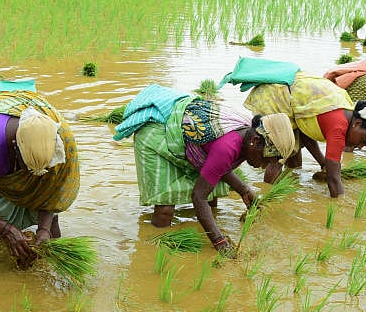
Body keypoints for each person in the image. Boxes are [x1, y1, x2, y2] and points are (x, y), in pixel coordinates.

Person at [114, 84, 291, 254]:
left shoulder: (249, 132)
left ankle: (199, 229)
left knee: (213, 197)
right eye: (267, 160)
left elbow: (218, 166)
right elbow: (198, 196)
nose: (264, 166)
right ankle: (153, 248)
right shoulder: (228, 146)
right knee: (165, 211)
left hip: (189, 139)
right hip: (157, 136)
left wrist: (243, 190)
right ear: (256, 142)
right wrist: (220, 242)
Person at [0, 88, 79, 269]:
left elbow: (53, 194)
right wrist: (5, 230)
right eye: (27, 168)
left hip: (35, 156)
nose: (32, 178)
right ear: (15, 147)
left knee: (50, 229)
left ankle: (51, 268)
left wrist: (44, 230)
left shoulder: (61, 148)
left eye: (42, 170)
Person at [243, 76, 366, 197]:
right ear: (357, 124)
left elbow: (307, 132)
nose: (359, 146)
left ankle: (286, 195)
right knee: (278, 157)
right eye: (363, 140)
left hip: (289, 101)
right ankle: (266, 198)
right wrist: (341, 206)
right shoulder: (339, 127)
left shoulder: (345, 111)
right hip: (277, 98)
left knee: (295, 164)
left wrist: (322, 162)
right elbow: (333, 179)